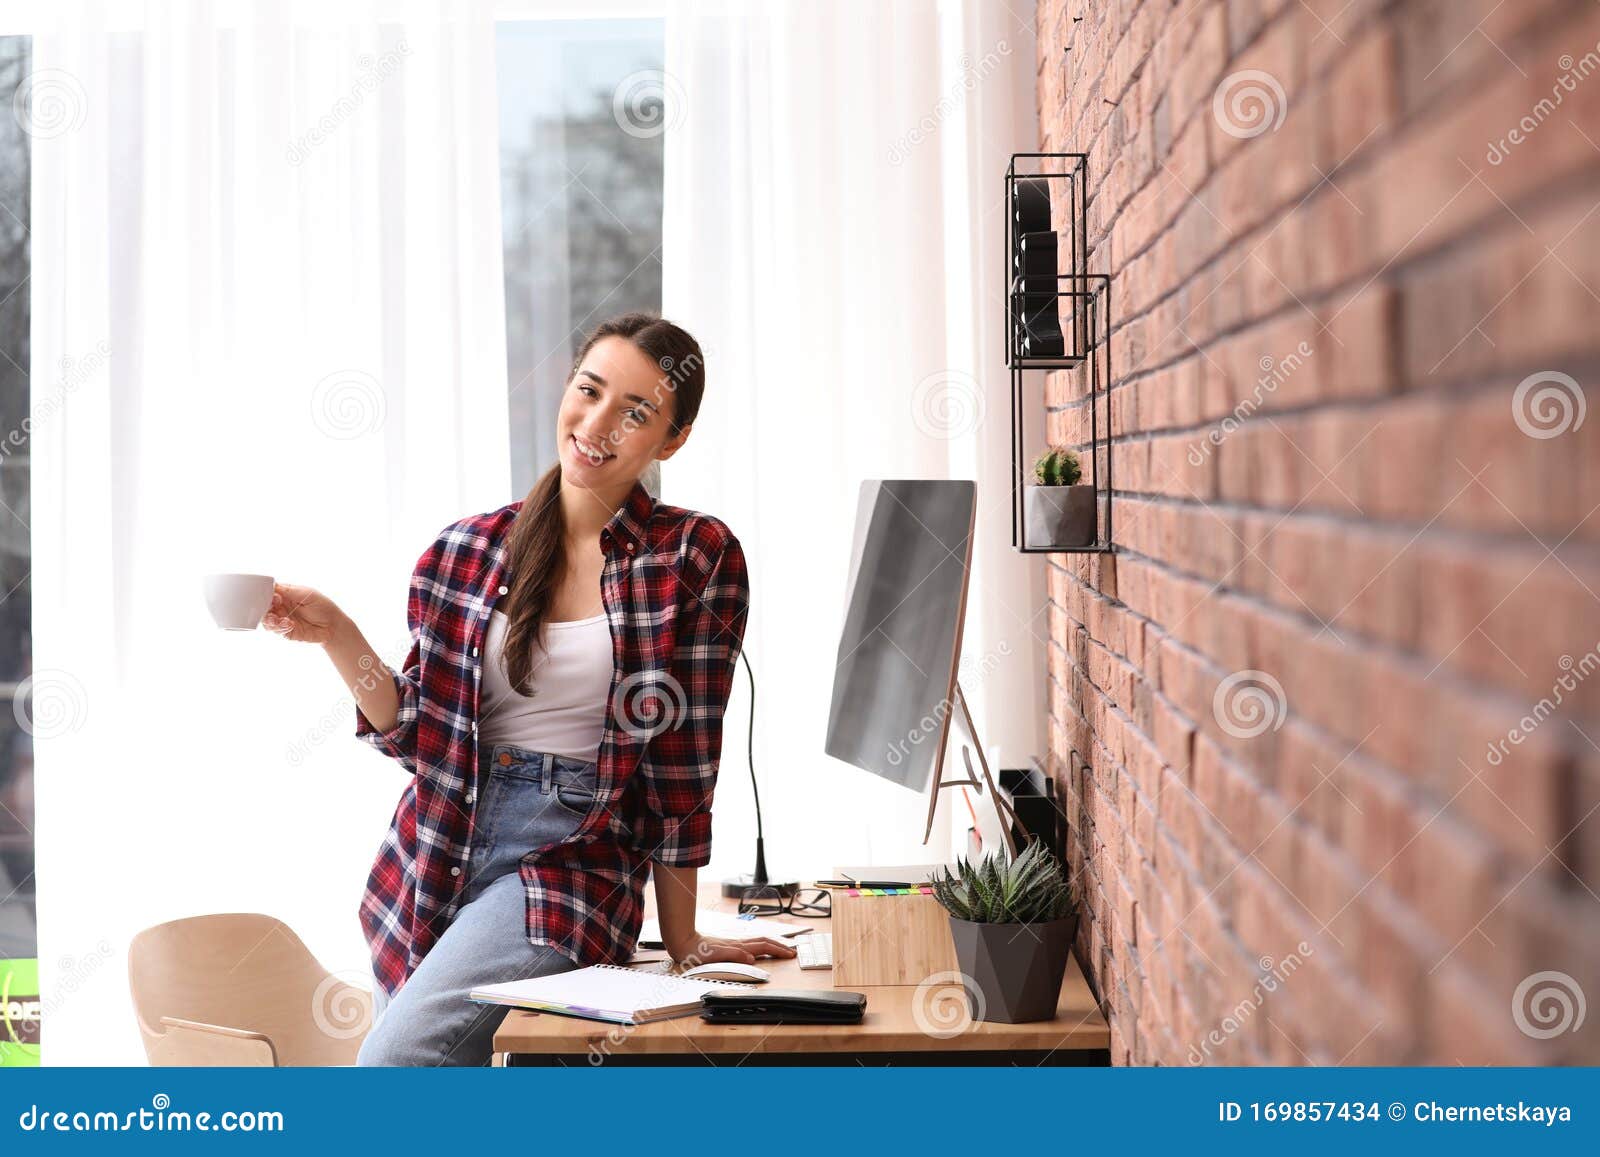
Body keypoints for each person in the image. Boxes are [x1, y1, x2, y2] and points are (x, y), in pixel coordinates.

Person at [265, 313, 793, 1065]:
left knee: (395, 1064)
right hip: (434, 850)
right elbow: (417, 734)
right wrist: (337, 634)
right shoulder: (464, 549)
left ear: (670, 441)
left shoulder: (694, 555)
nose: (598, 423)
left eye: (637, 412)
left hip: (569, 863)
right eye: (590, 390)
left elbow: (683, 766)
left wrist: (683, 940)